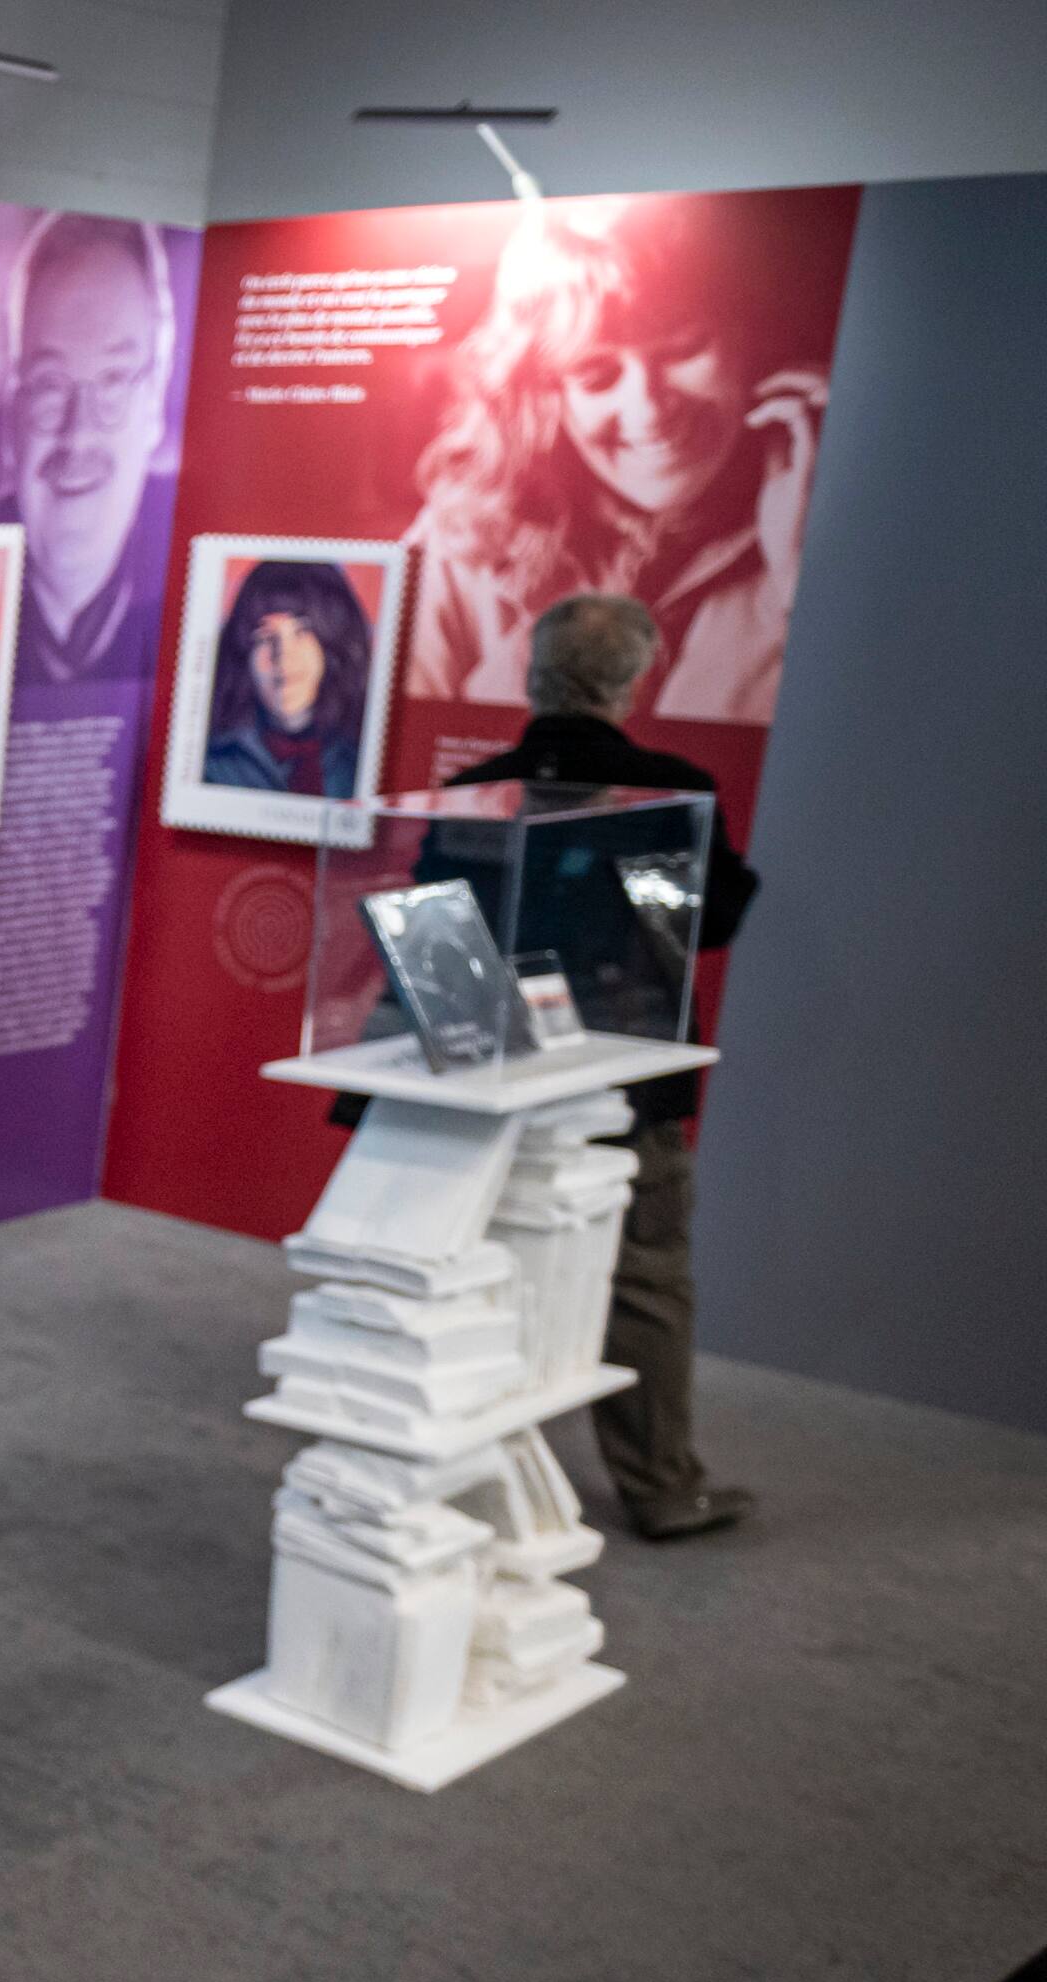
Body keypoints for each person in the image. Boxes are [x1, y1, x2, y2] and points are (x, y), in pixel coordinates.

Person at [452, 593, 761, 1541]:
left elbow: (439, 938)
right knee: (645, 1278)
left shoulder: (479, 786)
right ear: (632, 684)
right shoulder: (664, 790)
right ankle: (661, 1485)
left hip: (490, 1078)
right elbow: (703, 923)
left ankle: (469, 1469)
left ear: (533, 673)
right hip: (619, 1077)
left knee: (476, 1268)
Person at [408, 198, 828, 724]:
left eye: (682, 350)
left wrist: (811, 586)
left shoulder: (831, 517)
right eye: (596, 375)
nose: (647, 411)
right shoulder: (463, 535)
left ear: (753, 342)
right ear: (540, 394)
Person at [0, 213, 177, 688]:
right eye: (50, 385)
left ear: (154, 406)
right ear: (13, 416)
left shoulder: (193, 585)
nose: (79, 432)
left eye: (112, 381)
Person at [201, 560, 372, 798]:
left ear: (331, 646)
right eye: (265, 636)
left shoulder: (367, 758)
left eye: (301, 632)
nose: (282, 656)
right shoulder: (209, 765)